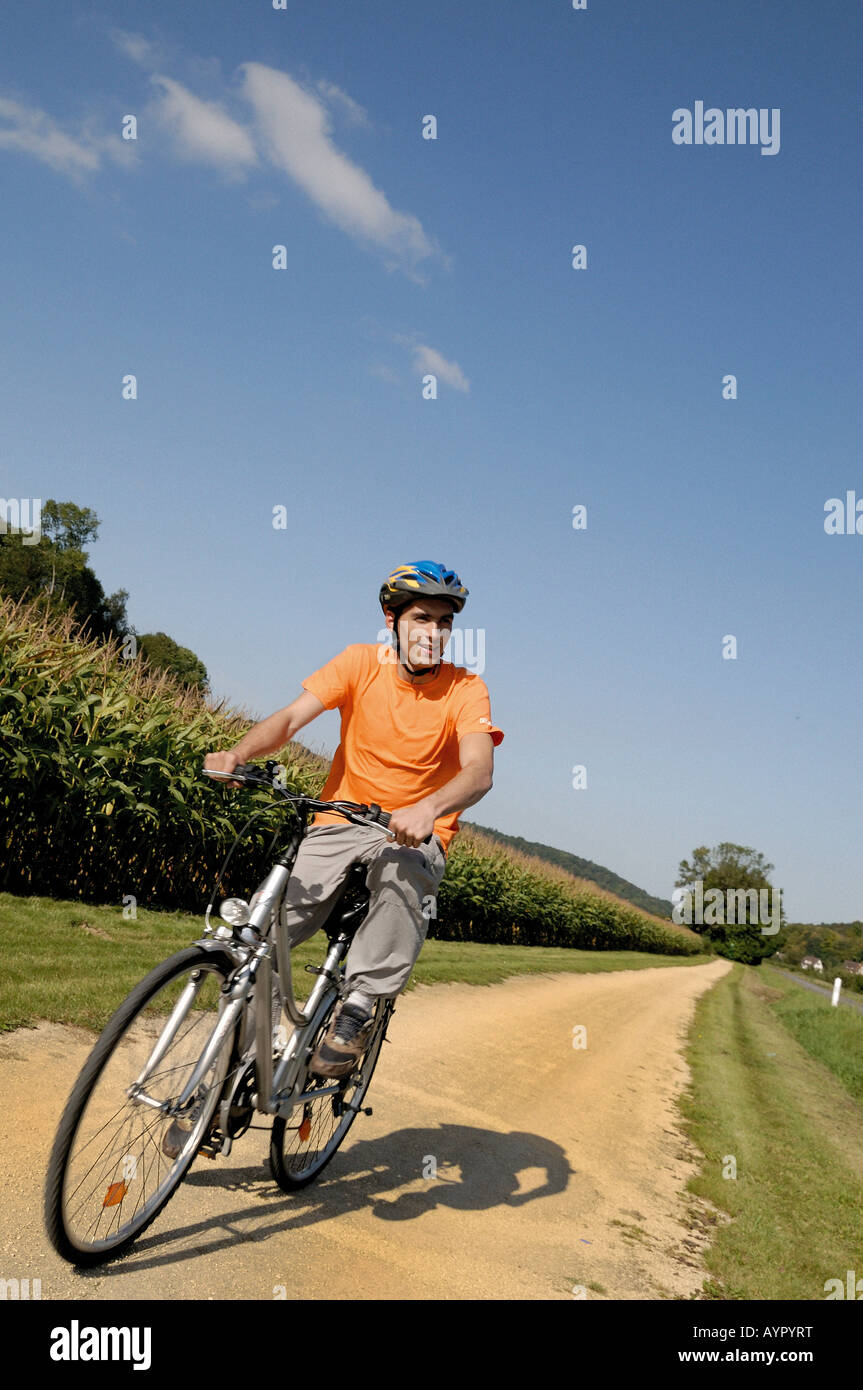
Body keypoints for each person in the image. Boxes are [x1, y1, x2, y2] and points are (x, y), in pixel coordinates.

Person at [202, 561, 504, 1080]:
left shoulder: (466, 689)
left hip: (410, 831)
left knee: (402, 868)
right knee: (262, 936)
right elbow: (292, 718)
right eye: (422, 619)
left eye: (444, 623)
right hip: (338, 822)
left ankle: (359, 1005)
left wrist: (428, 809)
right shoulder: (360, 664)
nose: (434, 633)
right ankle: (226, 1077)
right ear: (393, 619)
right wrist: (237, 753)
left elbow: (479, 771)